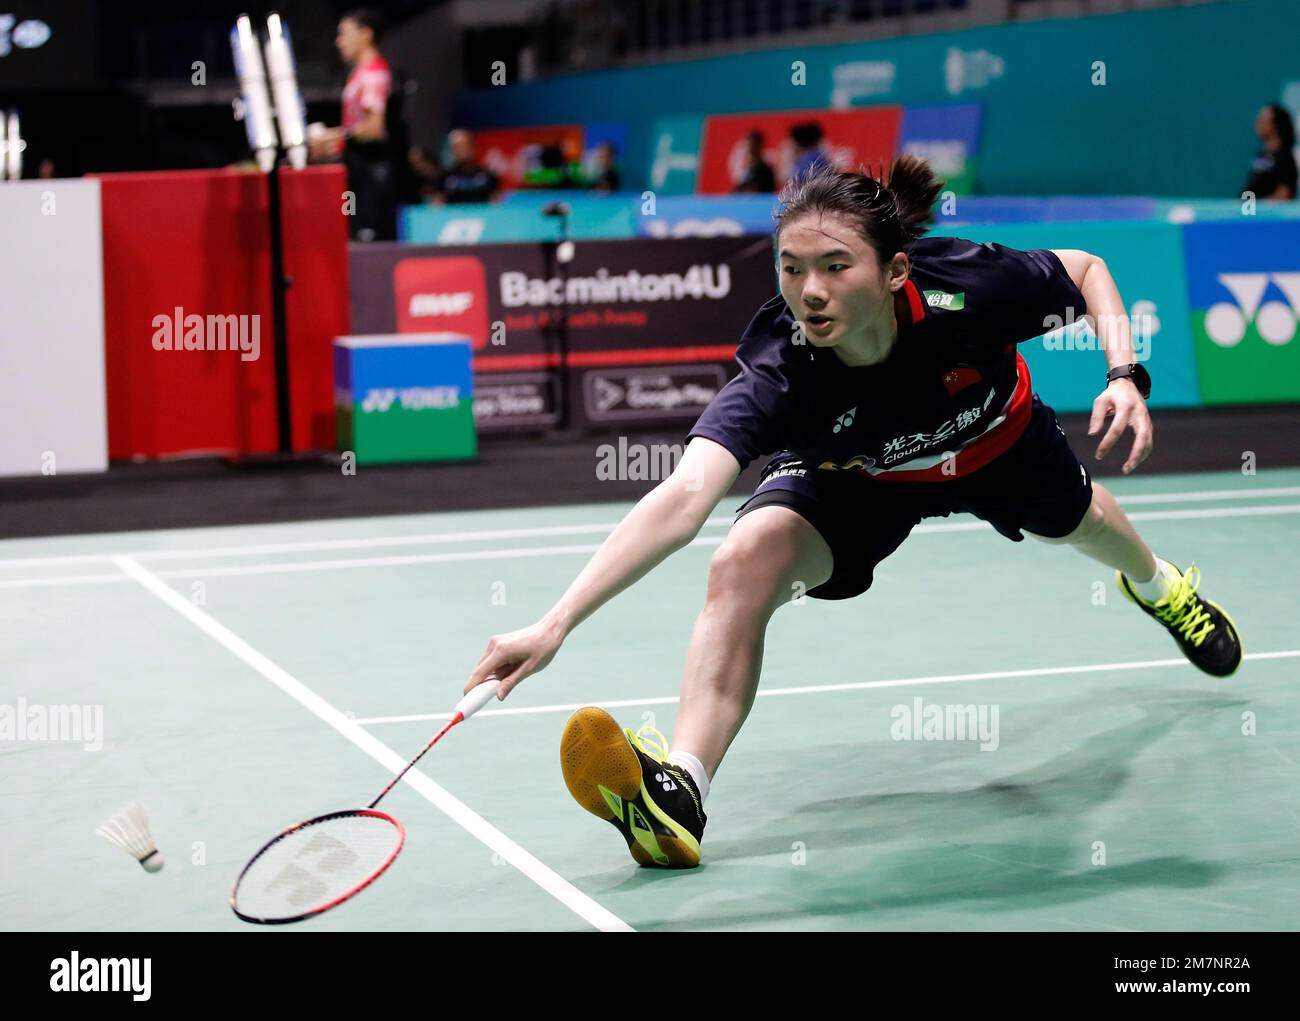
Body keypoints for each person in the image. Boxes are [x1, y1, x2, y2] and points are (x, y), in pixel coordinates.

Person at [461, 156, 1243, 870]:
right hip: (865, 475)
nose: (811, 290)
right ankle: (680, 790)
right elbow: (683, 496)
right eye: (792, 268)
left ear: (895, 268)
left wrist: (1125, 374)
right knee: (743, 557)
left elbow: (1090, 269)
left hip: (993, 441)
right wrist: (555, 621)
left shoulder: (963, 289)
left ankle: (1160, 586)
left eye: (836, 267)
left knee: (1087, 525)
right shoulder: (781, 368)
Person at [308, 9, 398, 241]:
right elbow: (355, 129)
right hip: (356, 171)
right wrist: (333, 146)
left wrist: (330, 136)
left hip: (371, 176)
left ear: (366, 35)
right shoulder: (358, 74)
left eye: (344, 34)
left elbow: (374, 128)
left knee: (367, 247)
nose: (339, 42)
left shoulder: (373, 73)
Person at [1243, 103, 1297, 201]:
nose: (1257, 123)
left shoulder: (1284, 158)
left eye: (1262, 120)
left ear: (1275, 125)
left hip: (1267, 215)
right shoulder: (1261, 154)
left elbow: (1283, 196)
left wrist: (1259, 209)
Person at [435, 129, 500, 204]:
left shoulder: (489, 176)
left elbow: (496, 204)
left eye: (464, 146)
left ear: (473, 147)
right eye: (456, 148)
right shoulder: (444, 177)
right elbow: (437, 205)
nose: (461, 151)